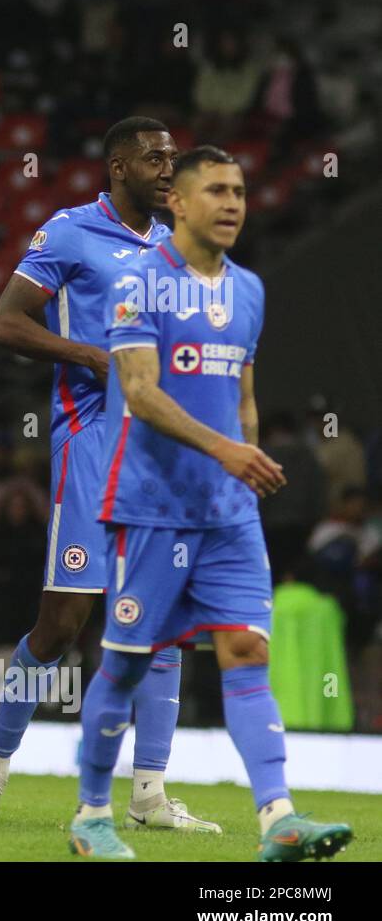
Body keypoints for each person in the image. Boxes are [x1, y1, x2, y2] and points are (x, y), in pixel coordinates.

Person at [69, 146, 353, 861]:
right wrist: (224, 450)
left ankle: (278, 818)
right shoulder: (138, 282)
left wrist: (246, 464)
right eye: (217, 190)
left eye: (240, 191)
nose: (232, 203)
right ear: (180, 204)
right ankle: (91, 816)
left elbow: (243, 397)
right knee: (128, 663)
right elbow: (138, 391)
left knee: (246, 651)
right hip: (151, 506)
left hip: (228, 514)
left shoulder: (250, 289)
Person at [0, 117, 217, 834]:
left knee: (161, 625)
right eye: (156, 158)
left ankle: (150, 795)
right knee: (63, 622)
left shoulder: (178, 243)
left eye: (175, 158)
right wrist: (91, 356)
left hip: (160, 453)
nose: (171, 168)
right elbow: (5, 323)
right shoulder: (69, 232)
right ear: (119, 166)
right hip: (92, 447)